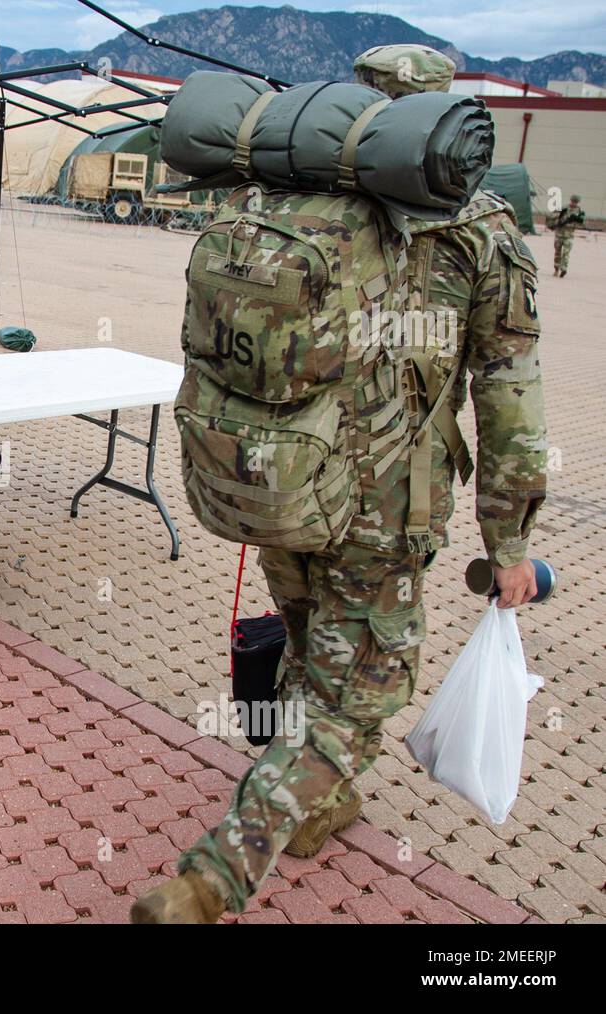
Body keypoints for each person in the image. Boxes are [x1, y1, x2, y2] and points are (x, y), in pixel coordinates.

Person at [131, 43, 547, 923]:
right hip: (388, 508)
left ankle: (316, 807)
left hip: (280, 483)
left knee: (310, 642)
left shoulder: (281, 198)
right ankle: (215, 877)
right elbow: (510, 400)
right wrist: (510, 542)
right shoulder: (481, 229)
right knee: (353, 703)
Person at [549, 194, 586, 277]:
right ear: (570, 201)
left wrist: (576, 220)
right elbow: (554, 218)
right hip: (559, 234)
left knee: (566, 253)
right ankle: (556, 269)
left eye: (576, 202)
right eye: (573, 201)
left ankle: (563, 269)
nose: (574, 203)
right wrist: (558, 221)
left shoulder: (580, 211)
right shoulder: (563, 209)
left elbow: (582, 223)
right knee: (557, 253)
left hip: (569, 235)